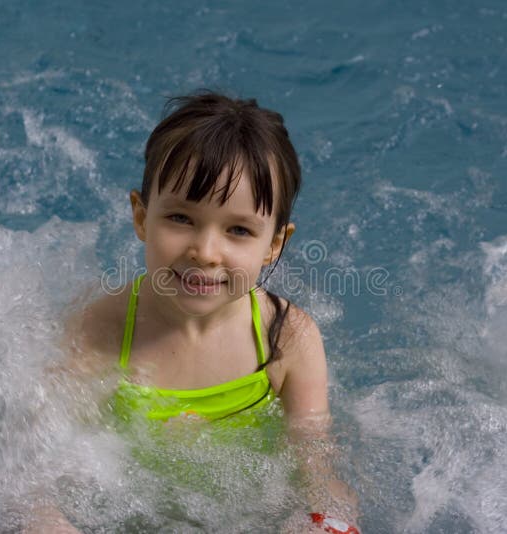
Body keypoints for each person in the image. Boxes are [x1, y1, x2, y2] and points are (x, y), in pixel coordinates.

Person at [27, 92, 359, 533]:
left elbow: (317, 462)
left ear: (274, 245)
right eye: (181, 218)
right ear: (142, 217)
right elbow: (34, 470)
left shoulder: (286, 339)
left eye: (239, 230)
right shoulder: (102, 330)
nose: (205, 252)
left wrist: (328, 521)